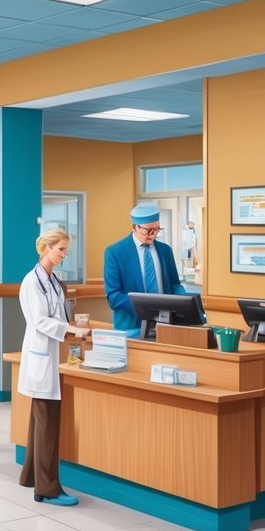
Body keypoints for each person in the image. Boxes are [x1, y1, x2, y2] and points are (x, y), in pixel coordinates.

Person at [18, 229, 91, 507]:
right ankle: (46, 490)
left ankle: (31, 476)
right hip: (41, 358)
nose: (63, 256)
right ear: (45, 248)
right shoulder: (32, 282)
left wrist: (73, 328)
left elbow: (58, 315)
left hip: (53, 356)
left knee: (40, 421)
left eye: (65, 251)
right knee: (46, 424)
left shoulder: (53, 280)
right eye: (60, 250)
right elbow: (40, 321)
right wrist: (71, 330)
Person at [103, 203, 185, 336]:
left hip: (166, 326)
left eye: (157, 230)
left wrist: (183, 304)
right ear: (135, 227)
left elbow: (175, 284)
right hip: (131, 328)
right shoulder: (115, 252)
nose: (153, 235)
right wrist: (147, 310)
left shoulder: (165, 251)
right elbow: (114, 296)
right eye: (148, 230)